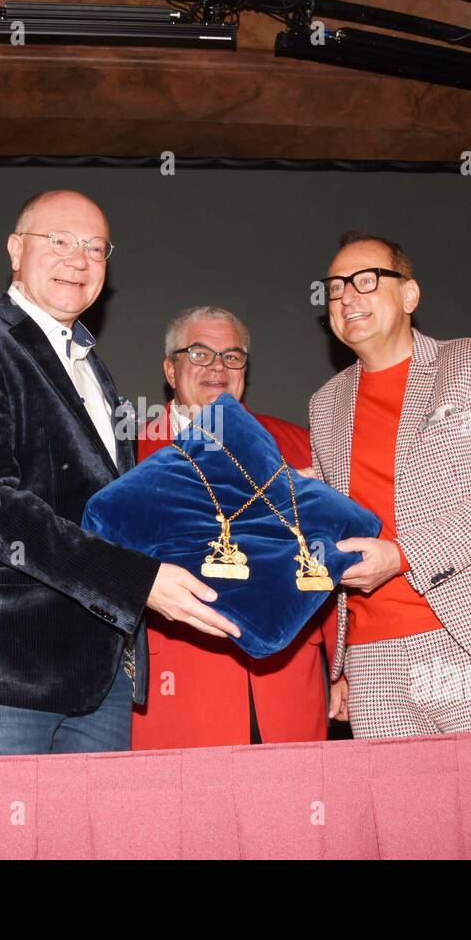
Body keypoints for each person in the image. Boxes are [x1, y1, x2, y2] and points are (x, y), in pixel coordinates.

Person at [0, 190, 239, 756]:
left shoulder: (93, 371)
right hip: (0, 670)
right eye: (59, 241)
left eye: (95, 248)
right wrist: (137, 581)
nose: (78, 259)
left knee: (93, 845)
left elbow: (110, 516)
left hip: (100, 677)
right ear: (14, 250)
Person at [308, 231, 471, 738]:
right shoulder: (325, 403)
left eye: (365, 281)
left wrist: (404, 555)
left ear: (409, 294)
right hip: (371, 658)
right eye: (335, 288)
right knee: (403, 815)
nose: (347, 297)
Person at [133, 306, 334, 749]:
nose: (217, 367)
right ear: (171, 368)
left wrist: (343, 668)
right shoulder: (126, 453)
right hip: (179, 691)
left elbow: (332, 560)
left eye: (232, 356)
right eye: (199, 353)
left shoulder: (301, 446)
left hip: (288, 686)